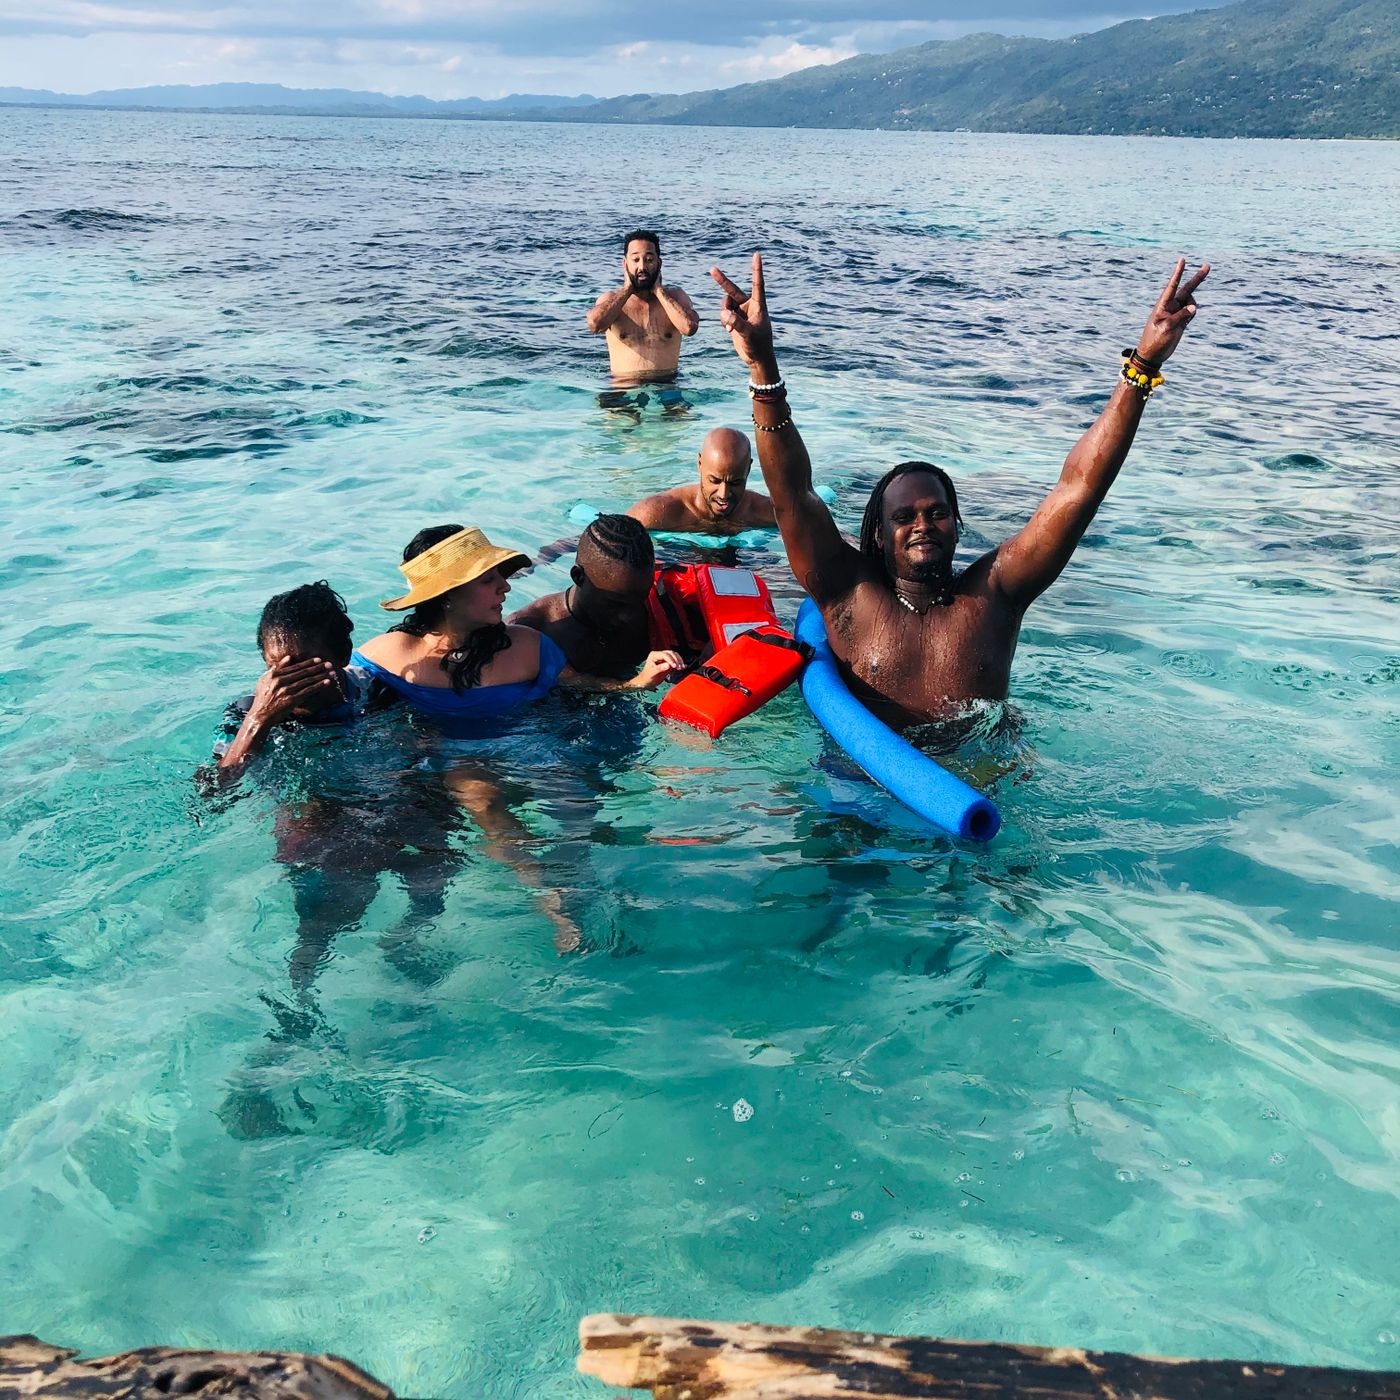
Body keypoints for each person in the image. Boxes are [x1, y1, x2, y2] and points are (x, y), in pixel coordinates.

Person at [710, 252, 1210, 730]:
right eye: (904, 517)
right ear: (879, 536)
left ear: (956, 525)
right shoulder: (847, 592)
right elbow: (793, 495)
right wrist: (763, 369)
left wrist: (1142, 365)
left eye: (937, 512)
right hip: (862, 776)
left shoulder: (995, 594)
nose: (923, 525)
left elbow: (1077, 489)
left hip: (974, 788)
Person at [353, 523, 681, 714]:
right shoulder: (391, 654)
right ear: (447, 595)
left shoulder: (526, 645)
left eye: (501, 575)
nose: (506, 586)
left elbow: (582, 683)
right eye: (488, 580)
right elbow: (338, 697)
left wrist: (636, 684)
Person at [214, 581, 392, 781]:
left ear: (343, 653)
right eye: (277, 667)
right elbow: (212, 792)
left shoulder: (377, 696)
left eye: (304, 665)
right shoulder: (245, 712)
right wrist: (259, 720)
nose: (289, 681)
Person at [511, 512, 693, 679]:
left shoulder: (650, 605)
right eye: (614, 604)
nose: (628, 616)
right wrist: (635, 684)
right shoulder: (530, 632)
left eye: (640, 600)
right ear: (578, 577)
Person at [586, 229, 699, 384]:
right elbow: (594, 325)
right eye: (636, 260)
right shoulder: (611, 300)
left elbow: (689, 328)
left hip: (667, 385)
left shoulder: (676, 297)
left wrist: (659, 291)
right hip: (623, 386)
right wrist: (626, 290)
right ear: (625, 264)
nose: (642, 267)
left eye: (649, 260)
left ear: (659, 263)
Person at [626, 427, 777, 537]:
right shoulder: (656, 512)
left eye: (735, 483)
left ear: (749, 469)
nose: (723, 494)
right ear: (699, 464)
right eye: (715, 481)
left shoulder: (767, 512)